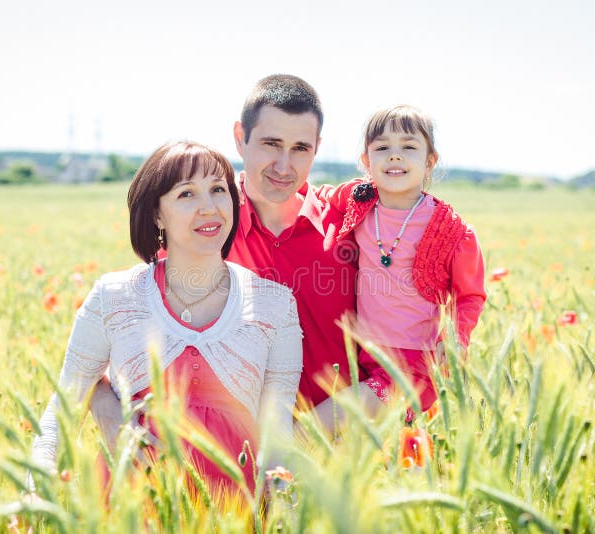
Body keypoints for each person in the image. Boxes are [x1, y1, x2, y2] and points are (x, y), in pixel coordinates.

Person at [90, 75, 359, 443]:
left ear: (317, 149)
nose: (284, 166)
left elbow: (403, 363)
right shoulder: (202, 227)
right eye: (271, 144)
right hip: (225, 460)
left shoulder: (351, 230)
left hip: (342, 452)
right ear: (239, 137)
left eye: (300, 148)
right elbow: (104, 352)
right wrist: (106, 410)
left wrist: (295, 443)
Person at [30, 141, 302, 496]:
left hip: (233, 511)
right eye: (186, 194)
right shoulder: (114, 297)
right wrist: (34, 491)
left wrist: (280, 505)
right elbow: (63, 407)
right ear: (157, 214)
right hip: (125, 508)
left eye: (218, 190)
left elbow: (277, 431)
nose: (209, 207)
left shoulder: (274, 305)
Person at [325, 105, 486, 415]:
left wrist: (455, 337)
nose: (395, 156)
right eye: (382, 148)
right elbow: (319, 197)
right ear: (366, 162)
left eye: (408, 147)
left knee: (320, 424)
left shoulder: (451, 230)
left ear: (429, 162)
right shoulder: (358, 201)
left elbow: (470, 296)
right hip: (362, 356)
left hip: (413, 367)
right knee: (369, 443)